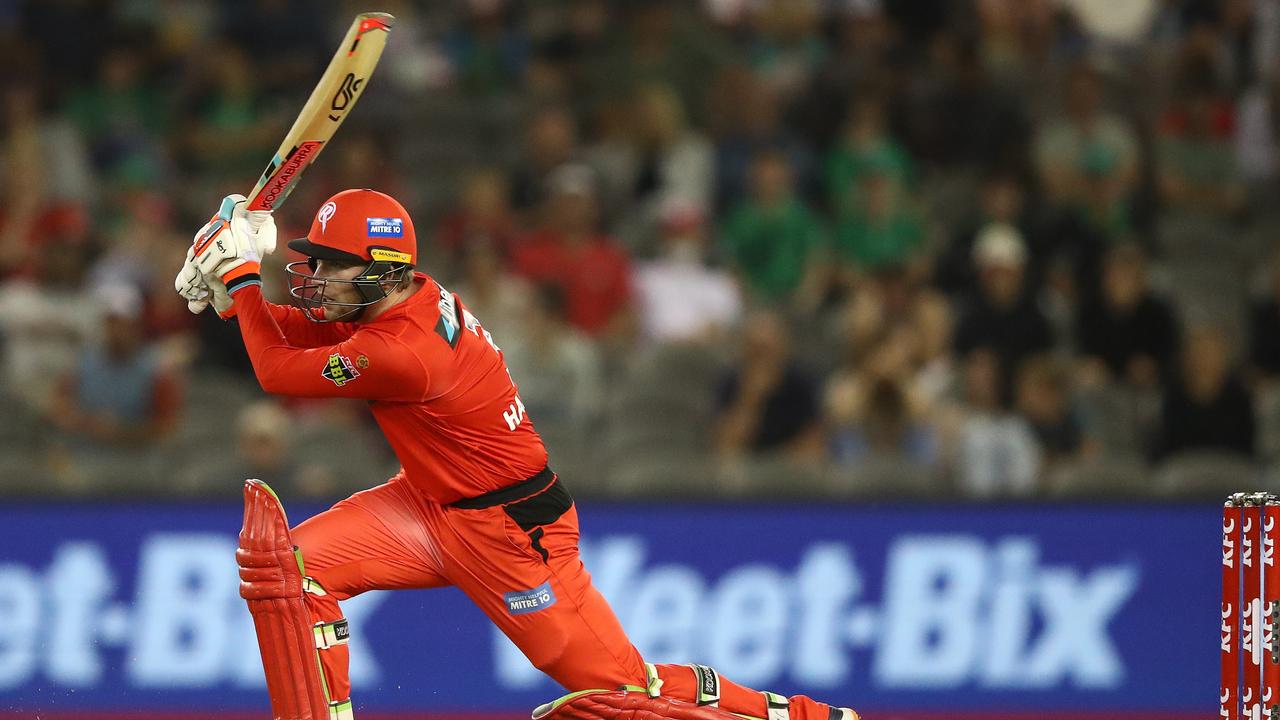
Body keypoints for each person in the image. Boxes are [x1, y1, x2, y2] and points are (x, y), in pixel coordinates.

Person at [175, 189, 859, 720]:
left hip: (510, 533)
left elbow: (278, 373)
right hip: (429, 503)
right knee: (289, 572)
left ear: (380, 272)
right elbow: (301, 330)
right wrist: (242, 289)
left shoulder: (405, 354)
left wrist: (240, 281)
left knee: (624, 695)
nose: (314, 278)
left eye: (328, 265)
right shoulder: (401, 301)